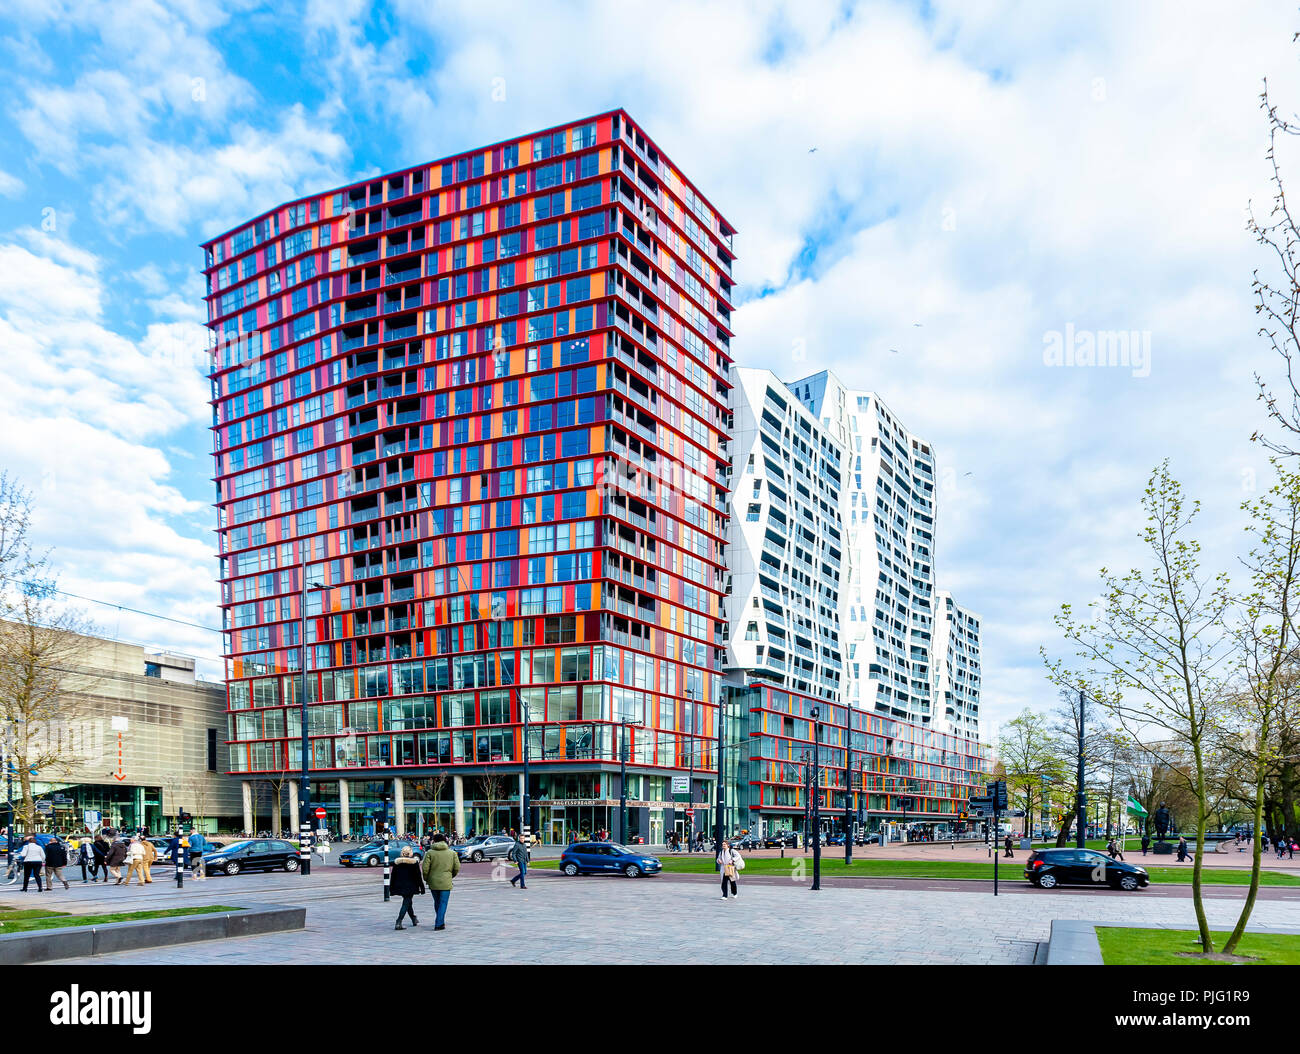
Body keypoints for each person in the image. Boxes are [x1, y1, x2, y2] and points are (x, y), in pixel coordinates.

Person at [420, 832, 460, 931]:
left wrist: (427, 878)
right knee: (443, 902)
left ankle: (440, 920)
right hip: (446, 880)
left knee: (437, 902)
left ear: (434, 841)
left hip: (433, 881)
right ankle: (439, 923)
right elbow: (457, 867)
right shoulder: (451, 853)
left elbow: (425, 869)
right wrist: (451, 876)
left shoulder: (429, 853)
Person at [391, 846, 424, 930]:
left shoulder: (397, 862)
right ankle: (398, 921)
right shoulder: (414, 863)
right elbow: (418, 876)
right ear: (410, 853)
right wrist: (422, 887)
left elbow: (393, 876)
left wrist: (391, 888)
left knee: (408, 902)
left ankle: (413, 918)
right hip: (411, 886)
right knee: (406, 903)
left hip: (399, 886)